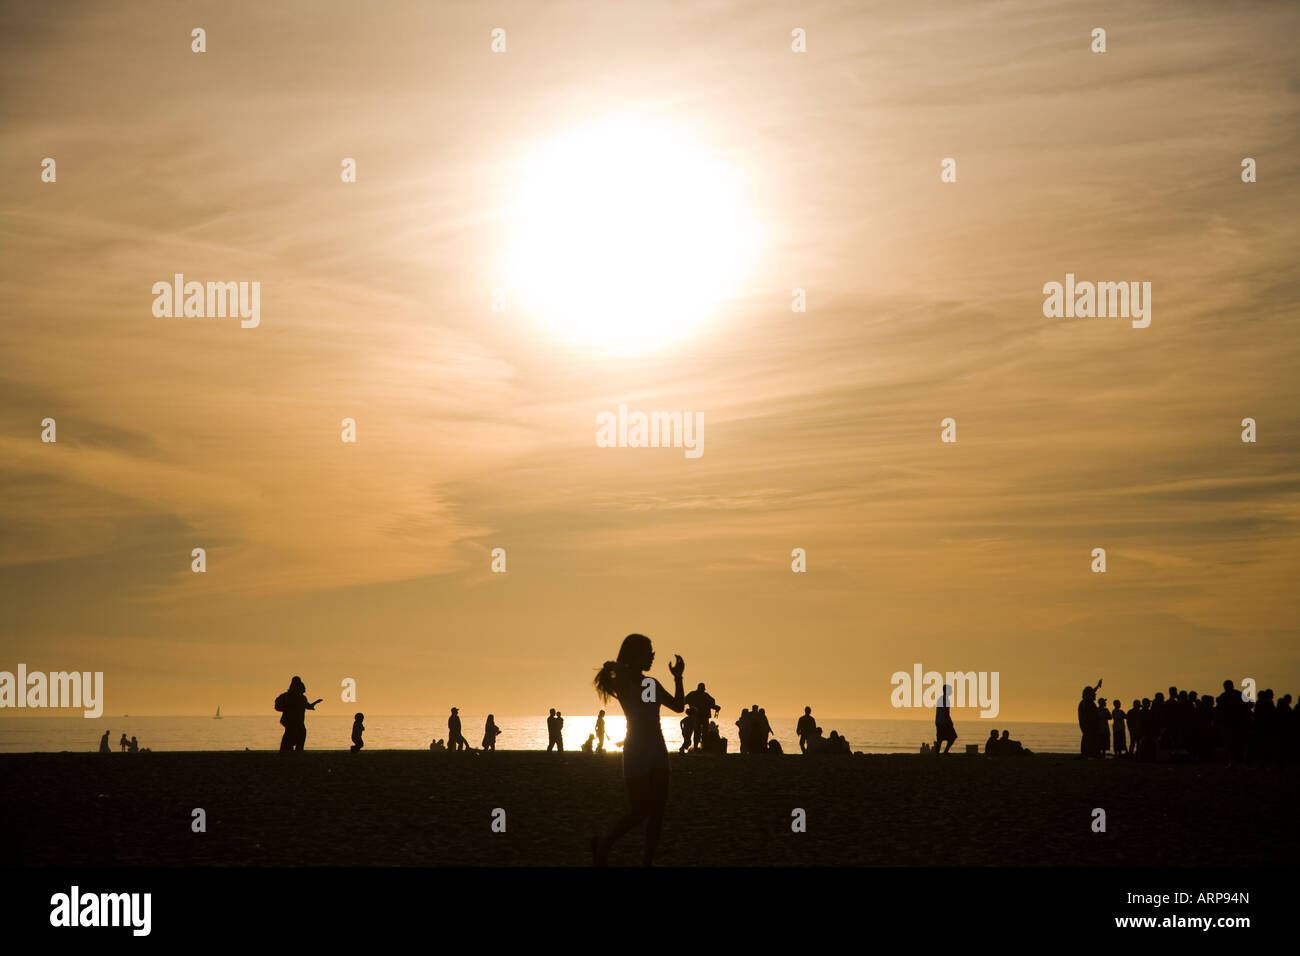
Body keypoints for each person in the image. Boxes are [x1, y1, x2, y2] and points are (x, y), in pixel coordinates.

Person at [590, 633, 685, 867]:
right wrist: (620, 664)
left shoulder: (650, 684)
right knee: (640, 810)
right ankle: (605, 843)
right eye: (648, 652)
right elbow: (614, 666)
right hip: (635, 750)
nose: (653, 656)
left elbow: (678, 706)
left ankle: (647, 862)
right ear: (635, 654)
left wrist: (678, 677)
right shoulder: (624, 681)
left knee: (657, 814)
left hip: (657, 748)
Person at [275, 676, 322, 753]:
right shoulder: (299, 697)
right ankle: (295, 750)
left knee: (291, 734)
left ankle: (288, 750)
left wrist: (315, 703)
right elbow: (307, 706)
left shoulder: (287, 696)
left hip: (288, 720)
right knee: (299, 733)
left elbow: (307, 706)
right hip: (295, 721)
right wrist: (314, 704)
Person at [683, 683, 720, 752]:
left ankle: (696, 747)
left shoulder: (692, 695)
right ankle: (703, 747)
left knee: (697, 732)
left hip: (695, 717)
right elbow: (712, 704)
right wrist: (717, 708)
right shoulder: (706, 696)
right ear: (703, 689)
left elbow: (684, 701)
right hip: (704, 717)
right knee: (704, 733)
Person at [934, 684, 957, 754]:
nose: (951, 691)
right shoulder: (944, 700)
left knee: (940, 739)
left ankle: (939, 754)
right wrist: (950, 721)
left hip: (939, 721)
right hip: (944, 722)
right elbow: (946, 712)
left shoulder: (941, 699)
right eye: (950, 690)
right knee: (952, 737)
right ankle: (944, 752)